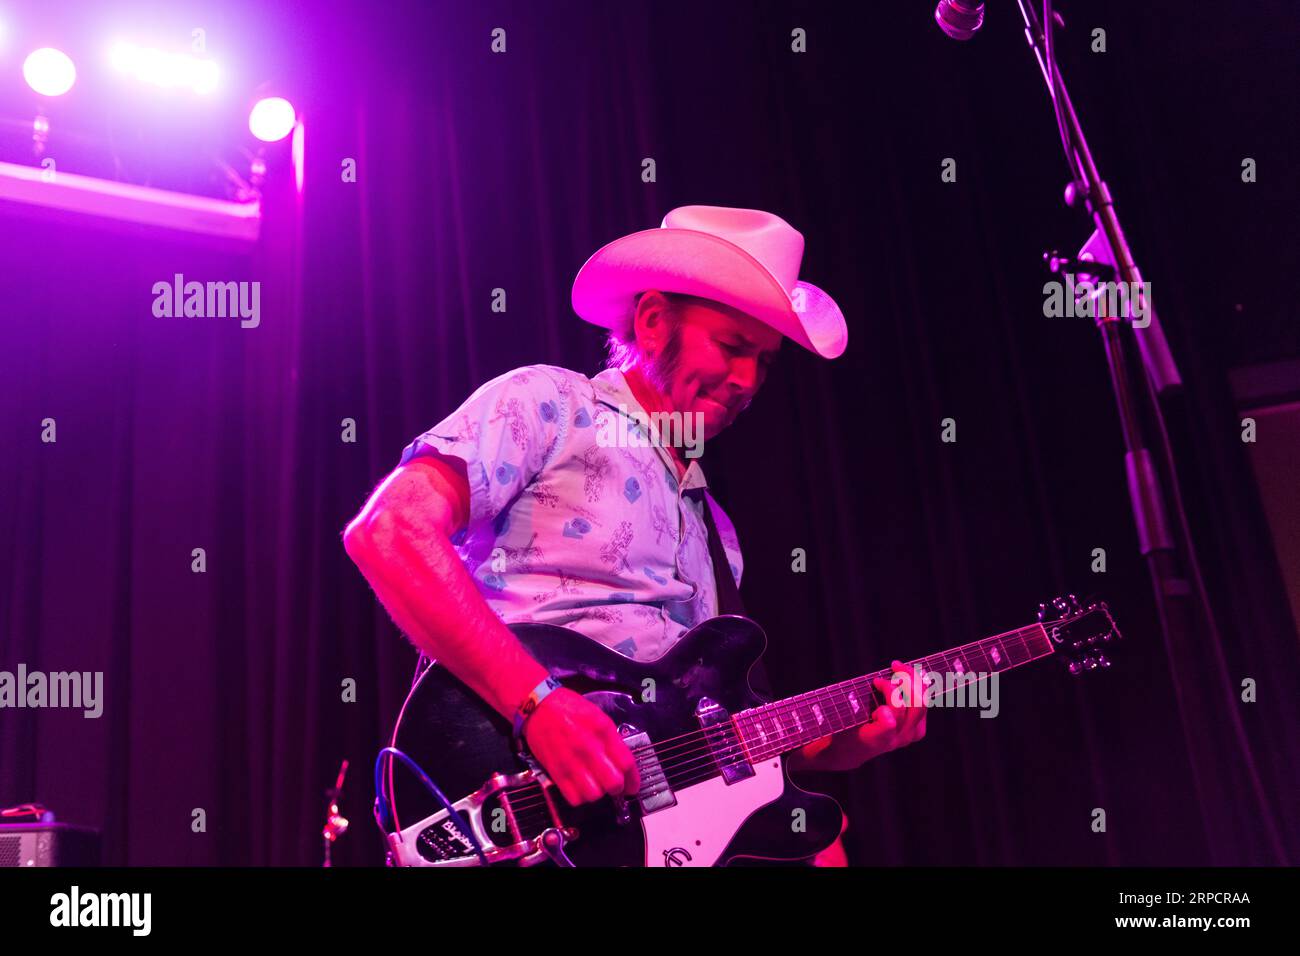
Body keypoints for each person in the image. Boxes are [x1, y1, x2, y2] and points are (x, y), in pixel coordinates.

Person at [344, 205, 926, 862]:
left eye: (763, 362)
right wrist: (538, 703)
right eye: (731, 347)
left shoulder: (718, 532)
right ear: (652, 322)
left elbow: (705, 731)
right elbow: (389, 533)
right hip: (508, 806)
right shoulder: (551, 404)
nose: (746, 381)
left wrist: (841, 743)